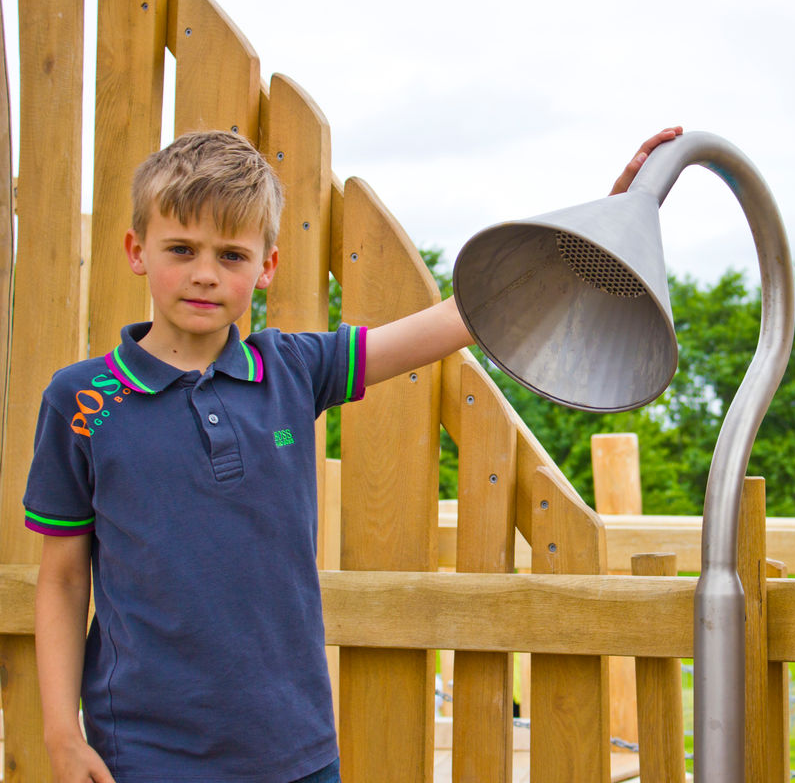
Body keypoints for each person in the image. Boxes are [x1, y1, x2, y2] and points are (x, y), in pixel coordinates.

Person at [27, 125, 682, 783]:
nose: (204, 273)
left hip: (297, 751)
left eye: (231, 255)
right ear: (137, 251)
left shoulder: (292, 370)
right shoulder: (82, 401)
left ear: (267, 266)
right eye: (181, 249)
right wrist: (61, 731)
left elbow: (465, 315)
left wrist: (594, 232)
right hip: (143, 756)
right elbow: (61, 578)